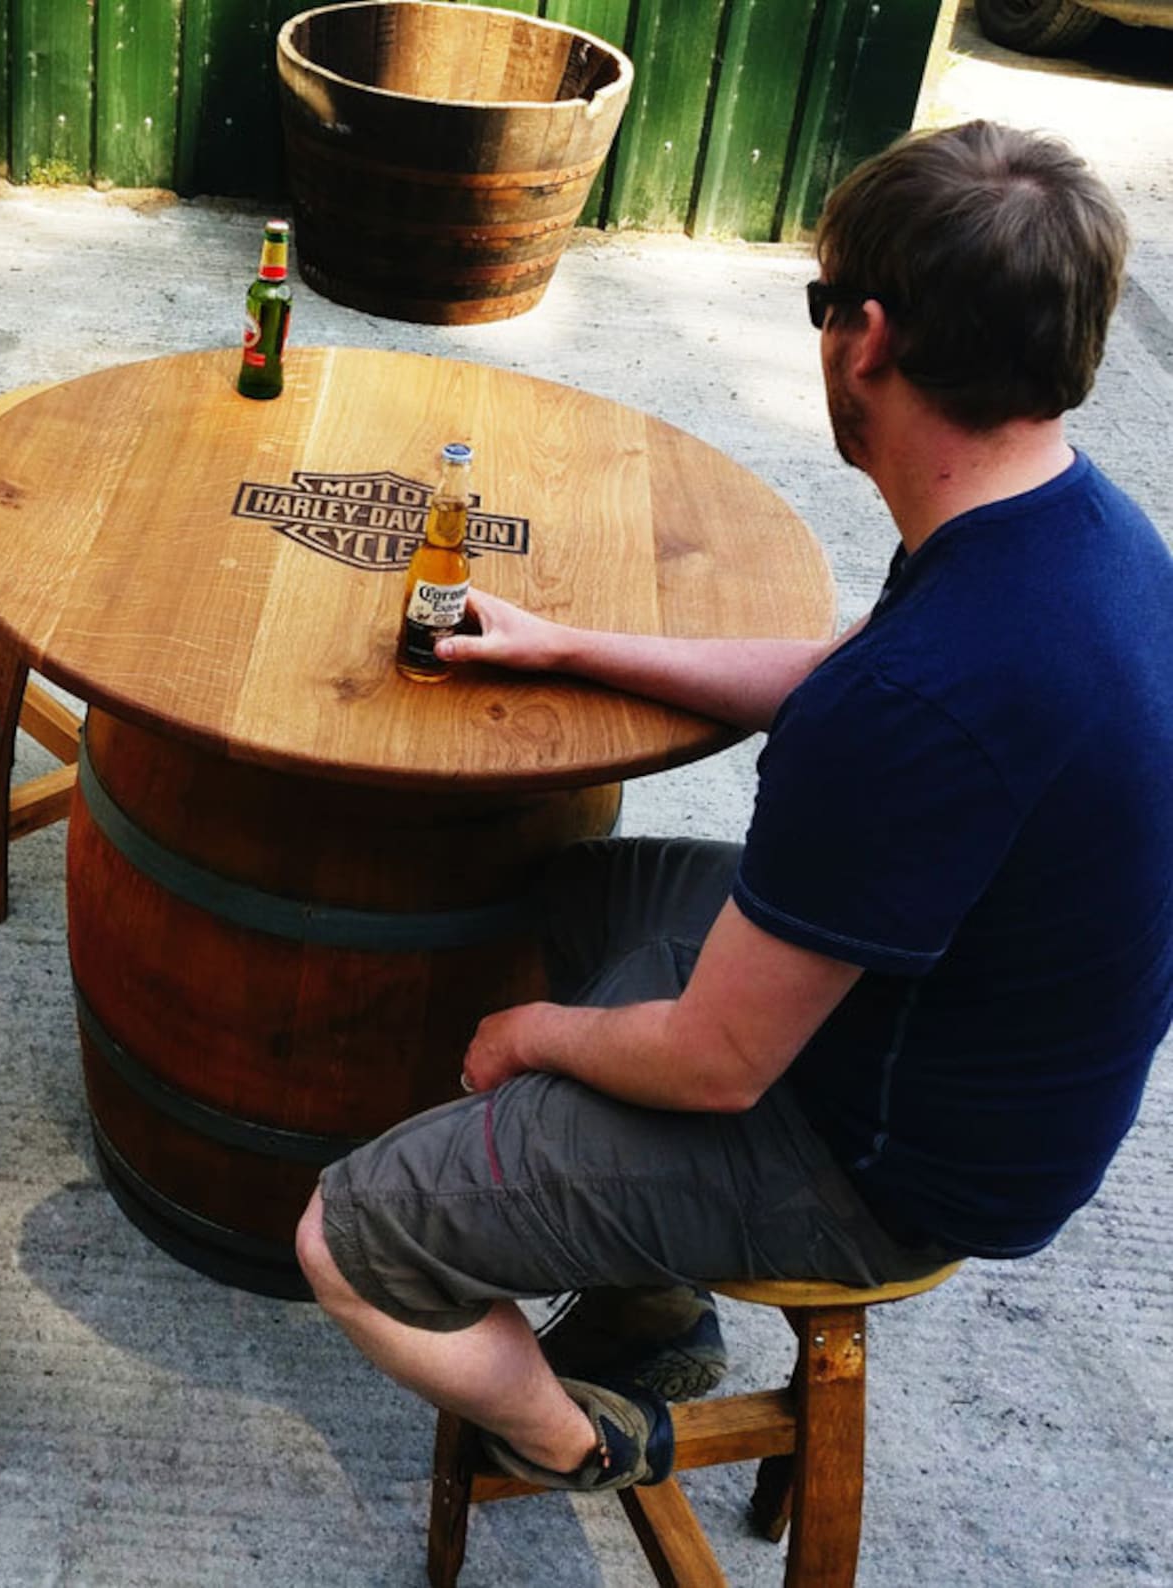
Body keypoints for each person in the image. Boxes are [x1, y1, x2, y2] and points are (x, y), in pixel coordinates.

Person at [294, 119, 1173, 1493]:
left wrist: (532, 1035)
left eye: (823, 303)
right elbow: (844, 673)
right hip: (962, 1049)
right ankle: (649, 1295)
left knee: (349, 1240)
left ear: (865, 339)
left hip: (882, 1161)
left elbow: (718, 1064)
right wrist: (566, 645)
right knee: (568, 892)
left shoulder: (926, 703)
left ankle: (585, 1439)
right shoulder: (1068, 531)